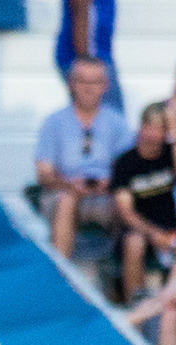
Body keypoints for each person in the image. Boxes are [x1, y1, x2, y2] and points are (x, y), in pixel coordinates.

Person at [34, 59, 130, 261]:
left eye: (95, 82)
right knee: (66, 200)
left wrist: (109, 184)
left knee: (126, 201)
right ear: (71, 84)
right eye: (82, 81)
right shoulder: (54, 122)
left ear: (105, 86)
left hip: (106, 194)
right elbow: (43, 173)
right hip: (63, 193)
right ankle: (61, 272)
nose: (88, 88)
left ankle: (119, 272)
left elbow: (129, 168)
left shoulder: (117, 123)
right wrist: (68, 185)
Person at [111, 103, 176, 301]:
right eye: (150, 127)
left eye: (161, 128)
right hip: (139, 229)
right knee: (134, 242)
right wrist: (154, 234)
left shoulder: (171, 152)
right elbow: (125, 211)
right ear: (142, 127)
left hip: (172, 228)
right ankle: (135, 305)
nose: (154, 134)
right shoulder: (125, 163)